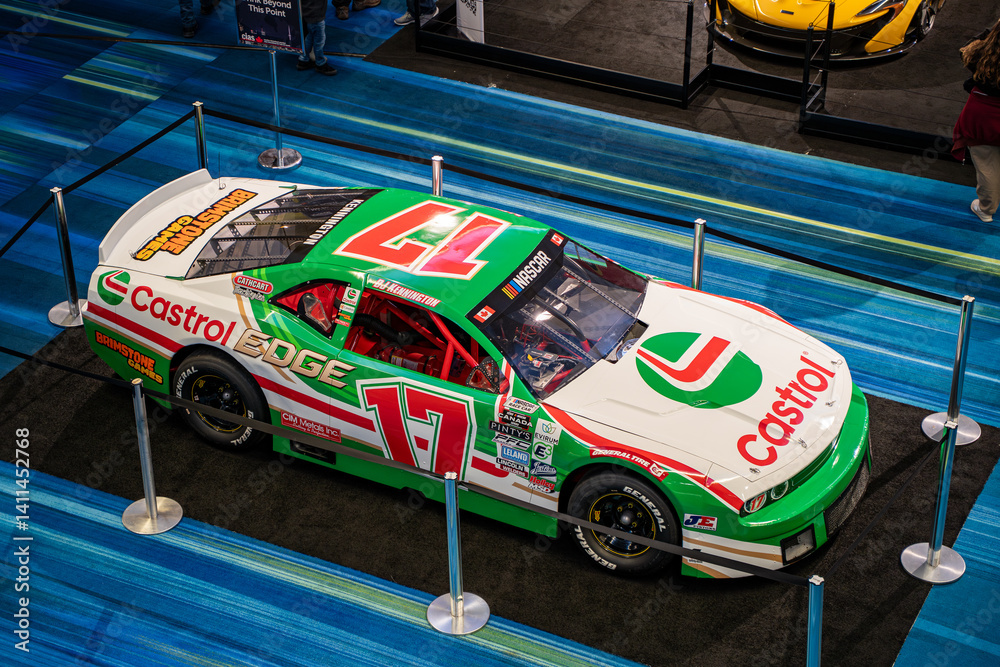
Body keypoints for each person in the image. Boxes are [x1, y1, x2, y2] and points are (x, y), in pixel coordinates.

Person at [952, 20, 1000, 223]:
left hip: (982, 115)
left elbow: (965, 50)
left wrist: (992, 31)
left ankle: (986, 210)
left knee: (987, 166)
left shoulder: (981, 54)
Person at [298, 0, 337, 75]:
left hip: (307, 12)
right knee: (319, 40)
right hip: (315, 13)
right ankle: (320, 63)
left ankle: (303, 59)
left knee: (309, 37)